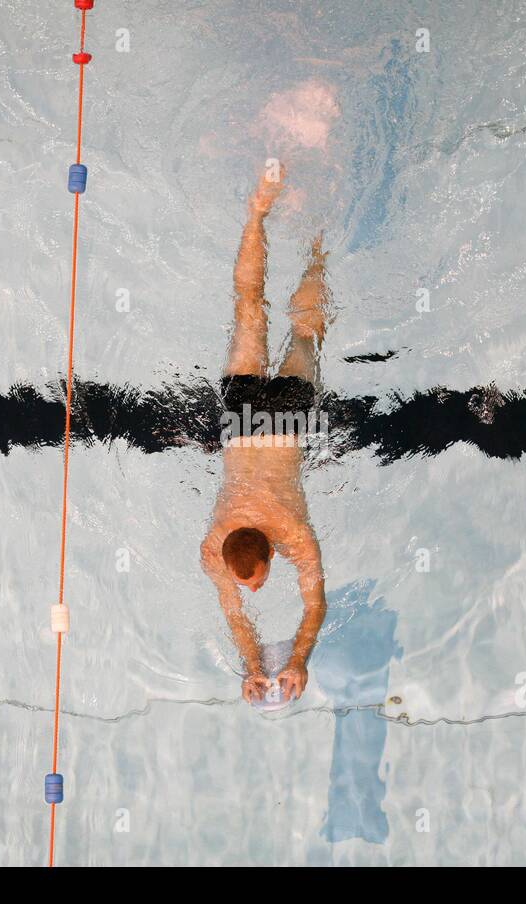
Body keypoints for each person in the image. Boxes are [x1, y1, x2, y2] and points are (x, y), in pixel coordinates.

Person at [200, 168, 329, 705]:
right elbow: (237, 608)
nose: (252, 591)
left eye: (254, 583)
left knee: (305, 331)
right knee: (247, 305)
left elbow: (313, 603)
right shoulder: (211, 548)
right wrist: (259, 665)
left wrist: (292, 660)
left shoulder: (294, 535)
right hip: (242, 417)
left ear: (267, 555)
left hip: (288, 425)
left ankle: (320, 247)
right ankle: (258, 210)